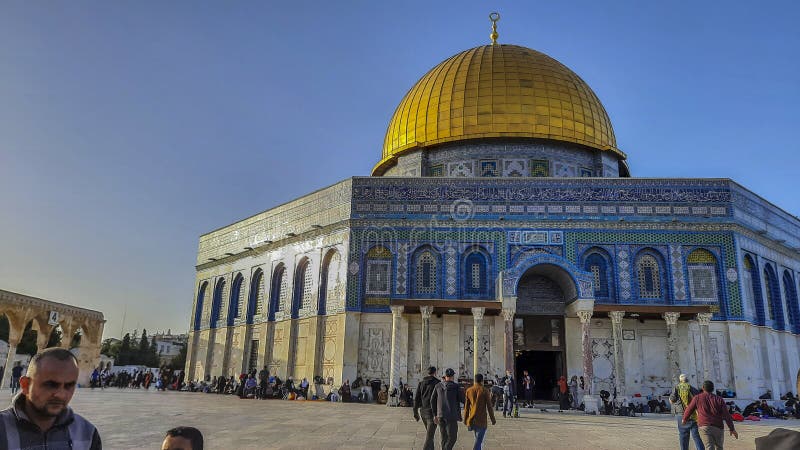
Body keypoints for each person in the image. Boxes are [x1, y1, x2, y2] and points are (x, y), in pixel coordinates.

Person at [0, 347, 102, 449]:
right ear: (25, 385)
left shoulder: (87, 434)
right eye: (51, 385)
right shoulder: (3, 429)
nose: (61, 395)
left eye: (69, 386)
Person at [683, 380, 738, 450]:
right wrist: (732, 428)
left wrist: (684, 419)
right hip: (718, 427)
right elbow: (727, 415)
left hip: (704, 427)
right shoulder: (719, 399)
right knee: (719, 447)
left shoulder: (697, 398)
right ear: (713, 389)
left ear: (703, 388)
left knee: (709, 447)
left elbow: (689, 409)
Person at [431, 368, 464, 450]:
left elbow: (432, 400)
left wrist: (435, 414)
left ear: (445, 376)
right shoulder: (456, 387)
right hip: (451, 415)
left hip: (440, 415)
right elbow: (462, 399)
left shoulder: (438, 386)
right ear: (452, 376)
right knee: (453, 437)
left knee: (443, 436)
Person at [670, 374, 705, 450]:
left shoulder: (677, 388)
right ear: (687, 380)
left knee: (683, 435)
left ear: (680, 380)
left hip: (681, 415)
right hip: (693, 415)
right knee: (696, 435)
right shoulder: (693, 389)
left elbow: (672, 400)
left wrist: (671, 400)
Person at [464, 374, 496, 450]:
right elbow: (489, 407)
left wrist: (466, 420)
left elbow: (466, 407)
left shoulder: (469, 390)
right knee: (479, 441)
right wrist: (493, 419)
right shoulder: (485, 390)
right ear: (482, 381)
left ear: (474, 380)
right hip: (482, 420)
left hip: (472, 419)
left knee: (478, 439)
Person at [413, 366, 440, 450]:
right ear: (435, 373)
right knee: (429, 437)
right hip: (432, 413)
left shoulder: (421, 383)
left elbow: (416, 398)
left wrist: (415, 412)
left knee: (430, 435)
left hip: (423, 412)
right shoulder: (438, 383)